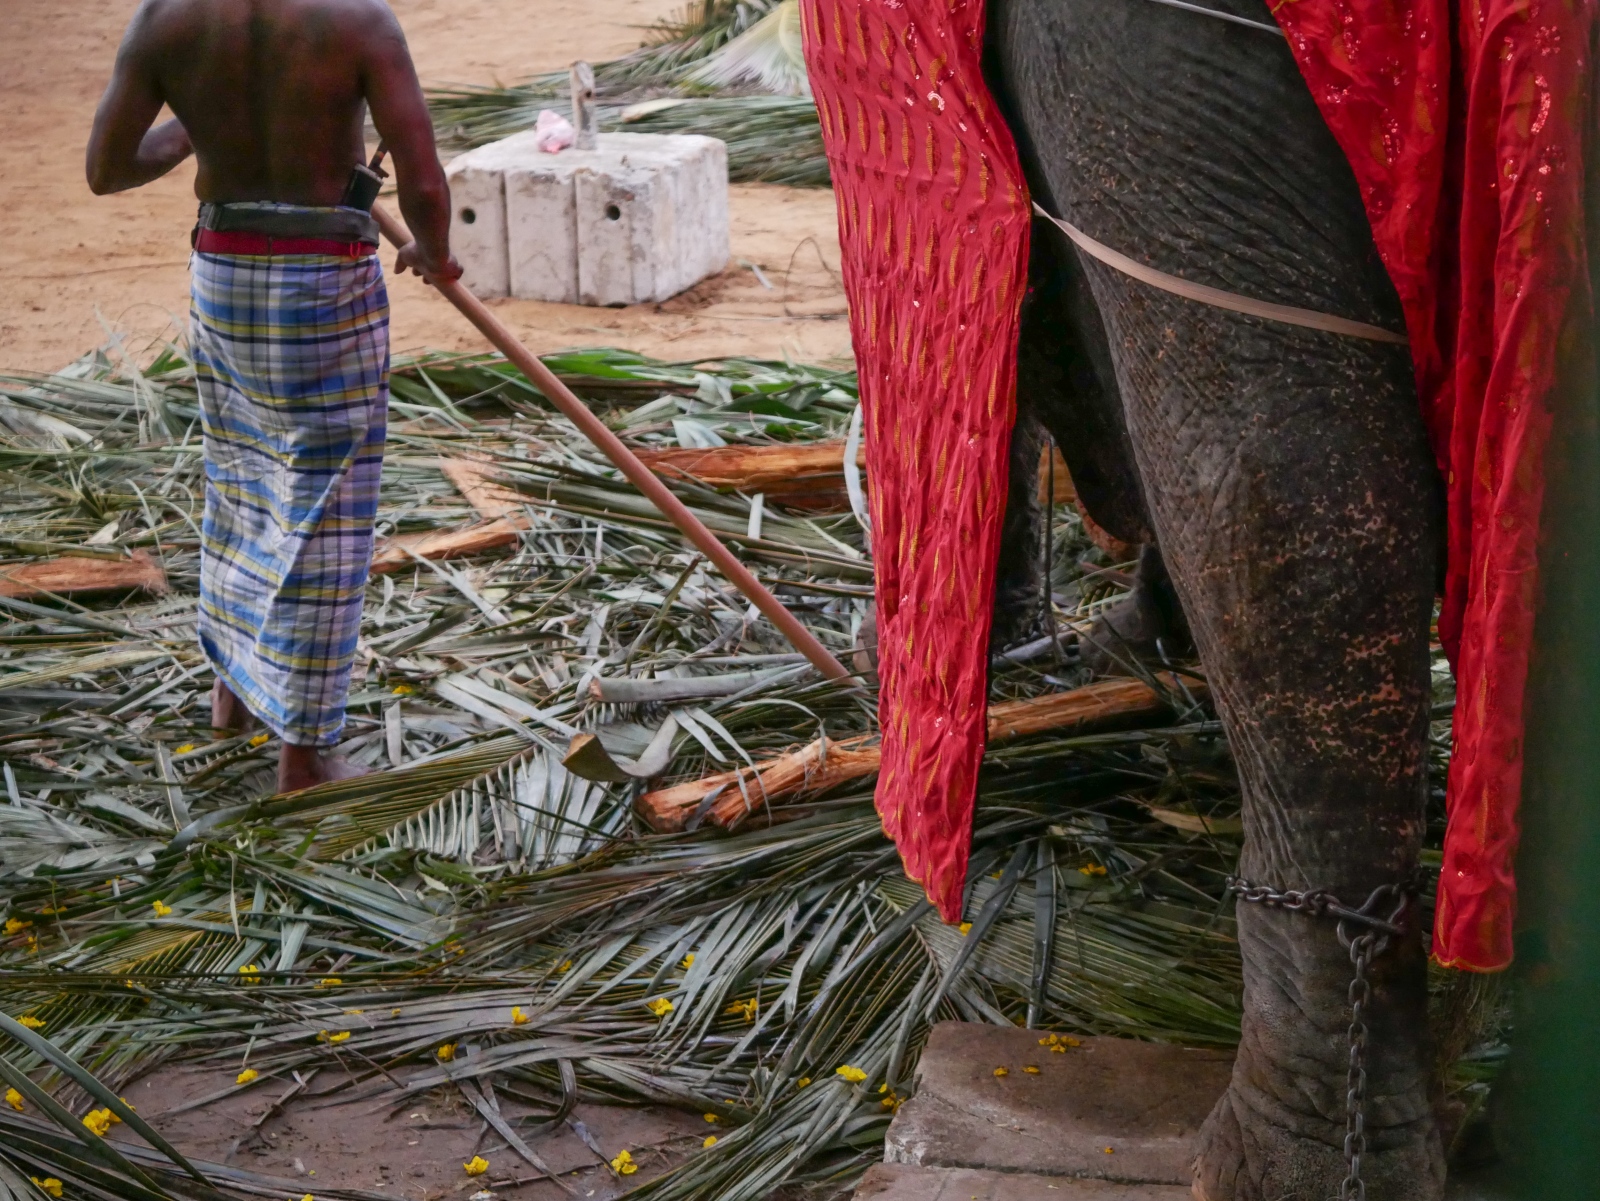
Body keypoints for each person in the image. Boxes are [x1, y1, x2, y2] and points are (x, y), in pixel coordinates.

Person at [85, 0, 462, 793]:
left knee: (242, 478)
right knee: (324, 508)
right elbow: (425, 180)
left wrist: (194, 126)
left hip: (222, 271)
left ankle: (234, 694)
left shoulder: (168, 19)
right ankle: (306, 752)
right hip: (323, 281)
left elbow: (107, 168)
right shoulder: (358, 22)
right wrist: (434, 251)